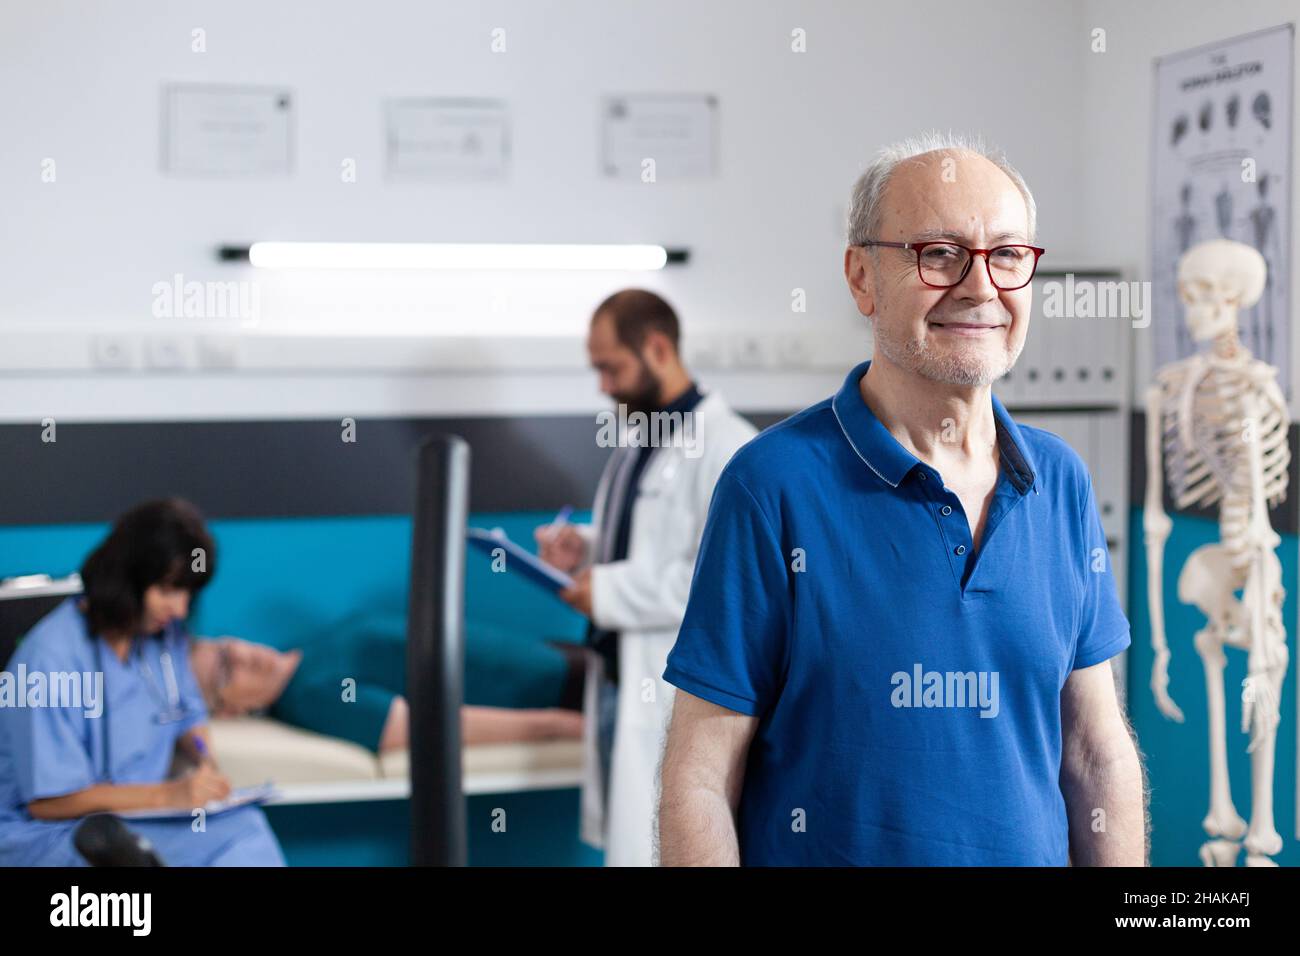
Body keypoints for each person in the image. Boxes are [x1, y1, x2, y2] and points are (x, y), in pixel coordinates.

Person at [658, 131, 1145, 866]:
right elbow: (699, 780)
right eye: (939, 253)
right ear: (862, 277)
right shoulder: (771, 486)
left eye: (1008, 255)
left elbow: (1094, 752)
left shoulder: (1061, 481)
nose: (980, 287)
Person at [536, 289, 756, 866]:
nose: (604, 385)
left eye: (611, 367)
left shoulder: (727, 445)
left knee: (655, 846)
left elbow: (720, 580)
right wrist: (581, 547)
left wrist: (606, 591)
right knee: (627, 844)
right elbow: (651, 539)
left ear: (657, 348)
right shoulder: (642, 436)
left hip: (663, 684)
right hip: (614, 676)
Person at [0, 498, 285, 866]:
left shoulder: (163, 642)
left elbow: (190, 719)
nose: (180, 609)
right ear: (126, 577)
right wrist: (168, 796)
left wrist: (205, 760)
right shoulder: (47, 660)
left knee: (245, 826)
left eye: (187, 594)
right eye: (168, 590)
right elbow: (49, 801)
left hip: (134, 821)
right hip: (53, 836)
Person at [187, 626, 583, 752]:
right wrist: (555, 725)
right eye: (223, 672)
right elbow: (434, 726)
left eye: (224, 648)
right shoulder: (313, 697)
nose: (238, 655)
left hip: (556, 655)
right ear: (230, 711)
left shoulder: (307, 653)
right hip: (564, 689)